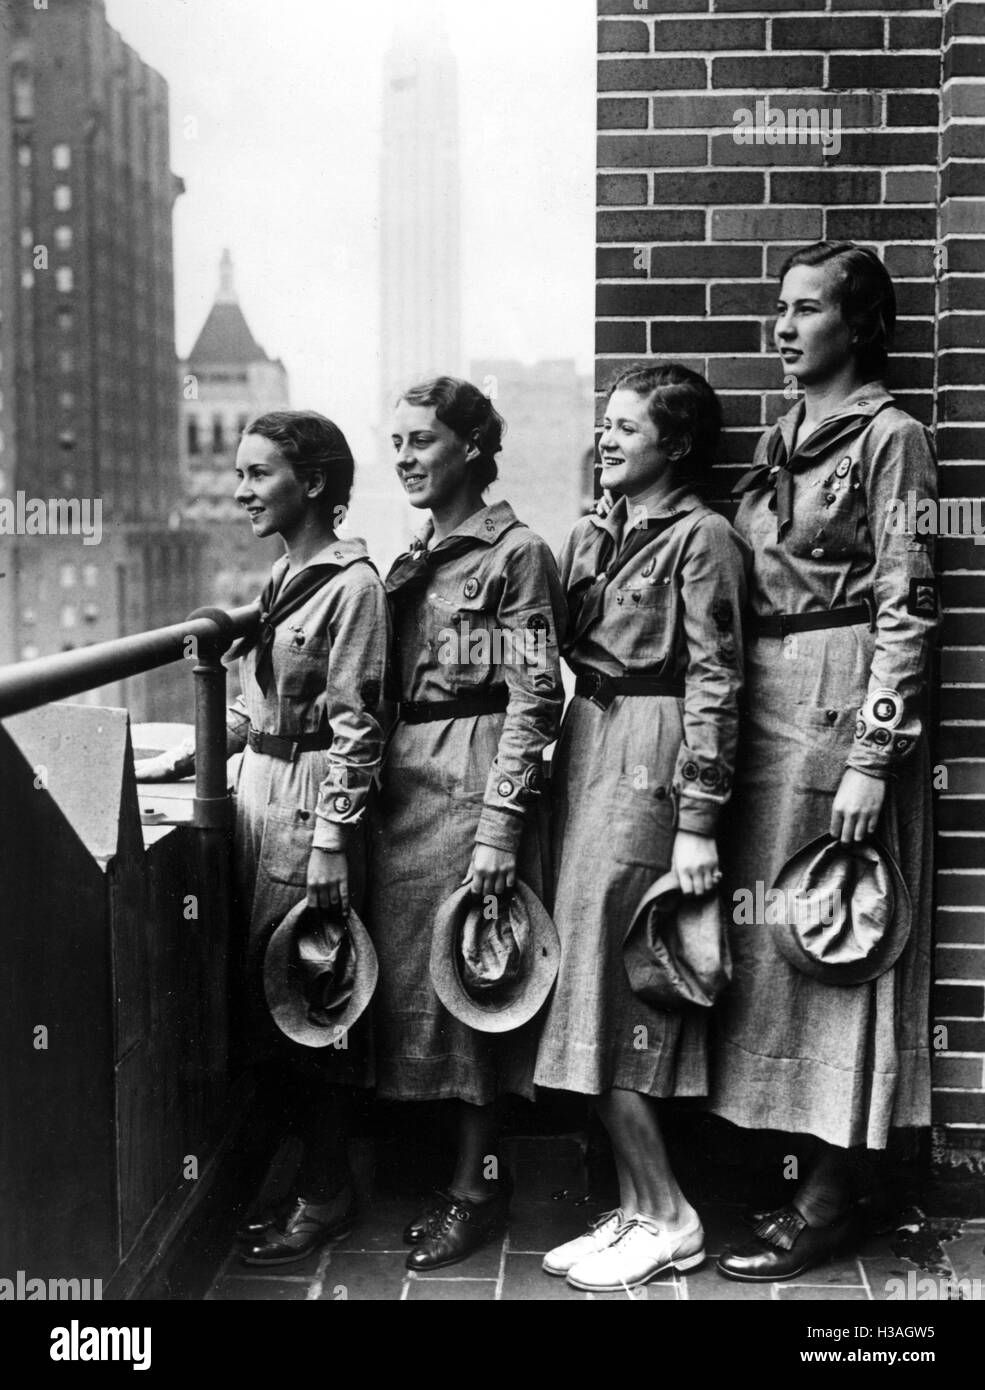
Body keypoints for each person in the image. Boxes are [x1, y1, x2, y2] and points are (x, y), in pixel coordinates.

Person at [708, 242, 940, 1281]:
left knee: (835, 934)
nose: (783, 326)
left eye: (807, 310)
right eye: (779, 308)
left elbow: (909, 601)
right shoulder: (784, 434)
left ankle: (834, 1192)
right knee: (772, 945)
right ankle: (798, 1173)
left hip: (837, 698)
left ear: (860, 325)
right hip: (763, 704)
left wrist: (872, 751)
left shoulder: (893, 439)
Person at [136, 410, 389, 1264]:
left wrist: (330, 840)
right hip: (260, 793)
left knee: (307, 1000)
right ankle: (309, 1180)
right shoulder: (286, 572)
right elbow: (259, 705)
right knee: (264, 993)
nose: (241, 489)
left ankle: (326, 1195)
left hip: (310, 803)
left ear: (312, 484)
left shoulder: (352, 587)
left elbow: (357, 728)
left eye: (258, 475)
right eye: (239, 473)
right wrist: (198, 751)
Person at [534, 362, 749, 1292]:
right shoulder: (600, 529)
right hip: (592, 740)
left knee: (604, 977)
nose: (609, 437)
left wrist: (697, 820)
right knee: (587, 982)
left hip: (650, 755)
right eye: (605, 423)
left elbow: (717, 680)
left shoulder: (702, 537)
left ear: (677, 443)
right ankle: (634, 1208)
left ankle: (670, 1214)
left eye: (628, 426)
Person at [369, 375, 566, 1271]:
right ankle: (447, 1173)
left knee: (472, 989)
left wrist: (499, 826)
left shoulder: (513, 552)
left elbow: (534, 696)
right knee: (417, 988)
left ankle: (477, 1190)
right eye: (398, 443)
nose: (405, 458)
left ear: (473, 450)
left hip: (468, 781)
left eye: (423, 441)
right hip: (407, 786)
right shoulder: (417, 553)